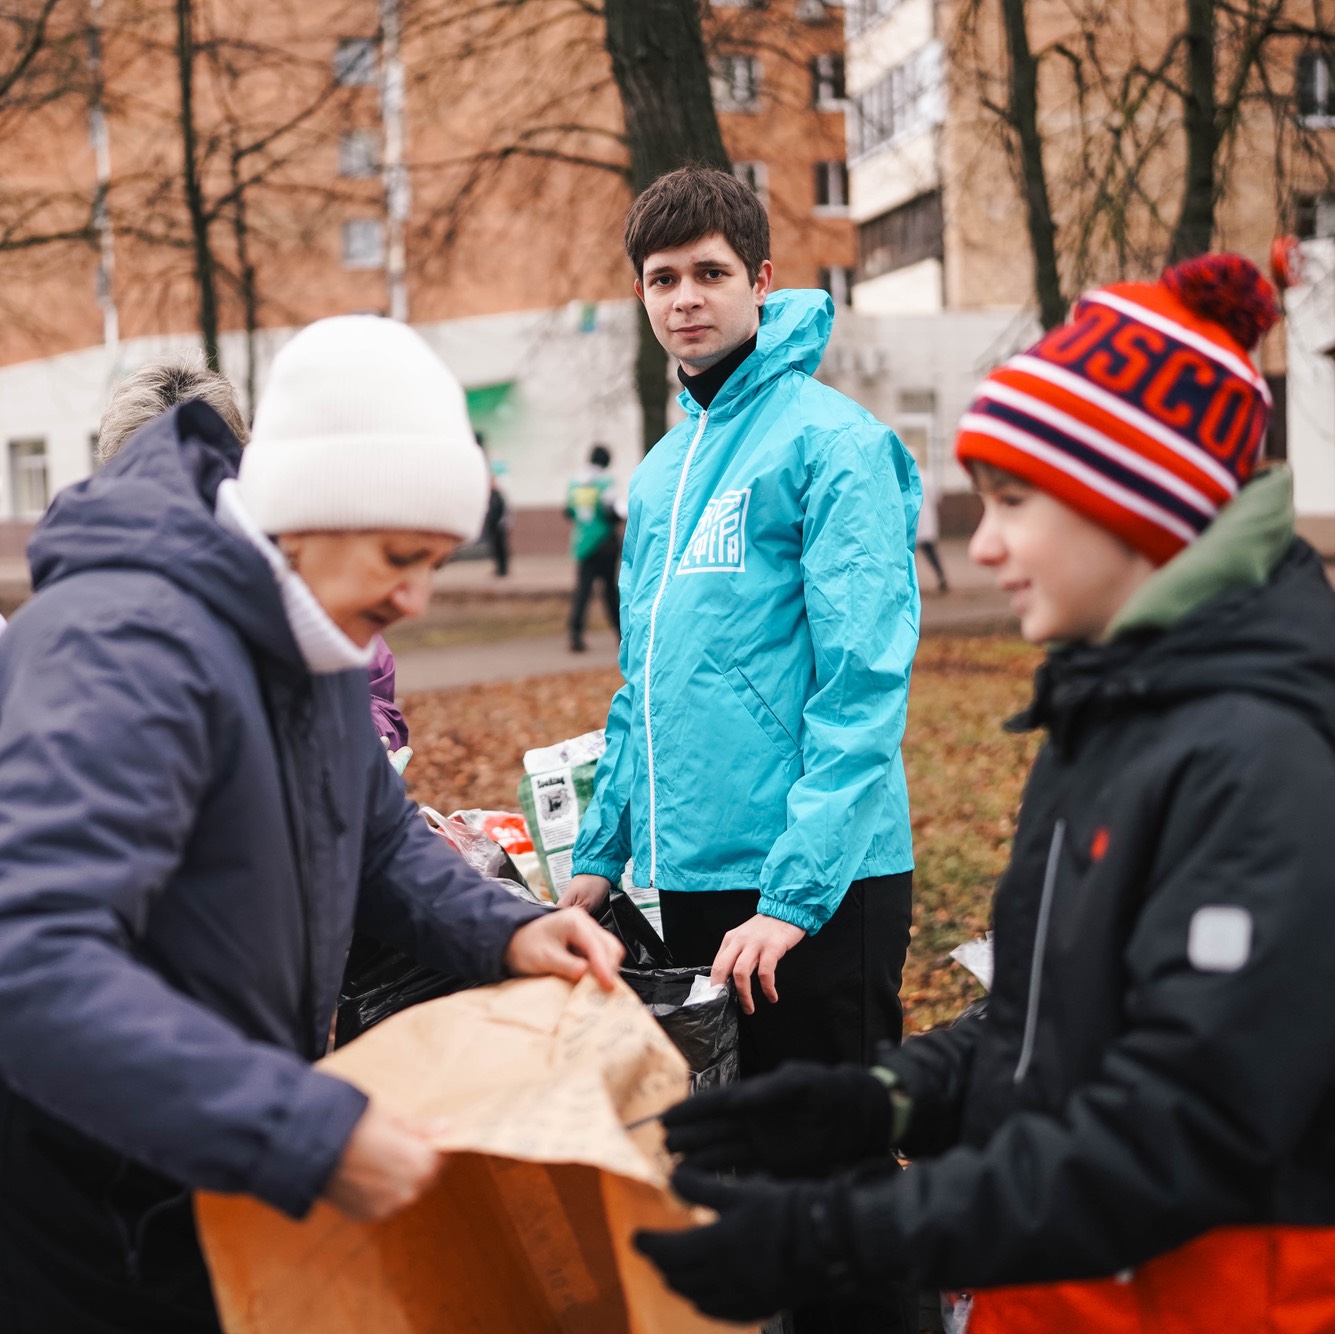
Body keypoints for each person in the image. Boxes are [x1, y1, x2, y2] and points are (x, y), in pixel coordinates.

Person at [635, 255, 1335, 1333]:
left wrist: (852, 1230)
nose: (985, 543)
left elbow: (1177, 1130)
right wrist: (883, 1097)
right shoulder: (1112, 710)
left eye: (1013, 502)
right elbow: (1054, 1014)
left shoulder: (1262, 760)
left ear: (1133, 507)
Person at [0, 315, 623, 1333]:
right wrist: (303, 1130)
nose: (417, 597)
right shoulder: (121, 645)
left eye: (439, 560)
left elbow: (375, 834)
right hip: (98, 1204)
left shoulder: (312, 632)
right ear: (308, 510)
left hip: (220, 1171)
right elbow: (33, 963)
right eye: (401, 555)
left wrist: (506, 929)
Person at [560, 166, 921, 1330]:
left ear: (761, 281)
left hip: (821, 886)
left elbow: (862, 686)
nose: (685, 298)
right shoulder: (662, 473)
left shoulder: (834, 443)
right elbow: (643, 687)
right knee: (744, 1182)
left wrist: (794, 896)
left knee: (835, 1185)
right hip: (698, 881)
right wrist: (599, 854)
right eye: (662, 278)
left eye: (710, 273)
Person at [97, 350, 412, 757]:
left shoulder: (298, 568)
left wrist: (361, 741)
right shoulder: (90, 596)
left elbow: (371, 691)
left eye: (200, 473)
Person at [565, 442, 622, 652]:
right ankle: (621, 634)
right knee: (610, 591)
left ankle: (575, 633)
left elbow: (569, 511)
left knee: (583, 591)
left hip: (583, 543)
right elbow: (610, 512)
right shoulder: (605, 482)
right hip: (605, 542)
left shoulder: (575, 484)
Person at [476, 431, 510, 577]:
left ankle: (503, 567)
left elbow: (499, 480)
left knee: (499, 535)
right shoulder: (485, 457)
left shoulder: (490, 458)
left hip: (497, 499)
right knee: (495, 536)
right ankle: (500, 566)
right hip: (493, 499)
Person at [916, 471, 948, 593]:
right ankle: (941, 576)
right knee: (930, 552)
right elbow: (937, 497)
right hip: (927, 521)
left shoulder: (903, 476)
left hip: (913, 522)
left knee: (908, 556)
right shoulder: (926, 477)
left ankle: (907, 582)